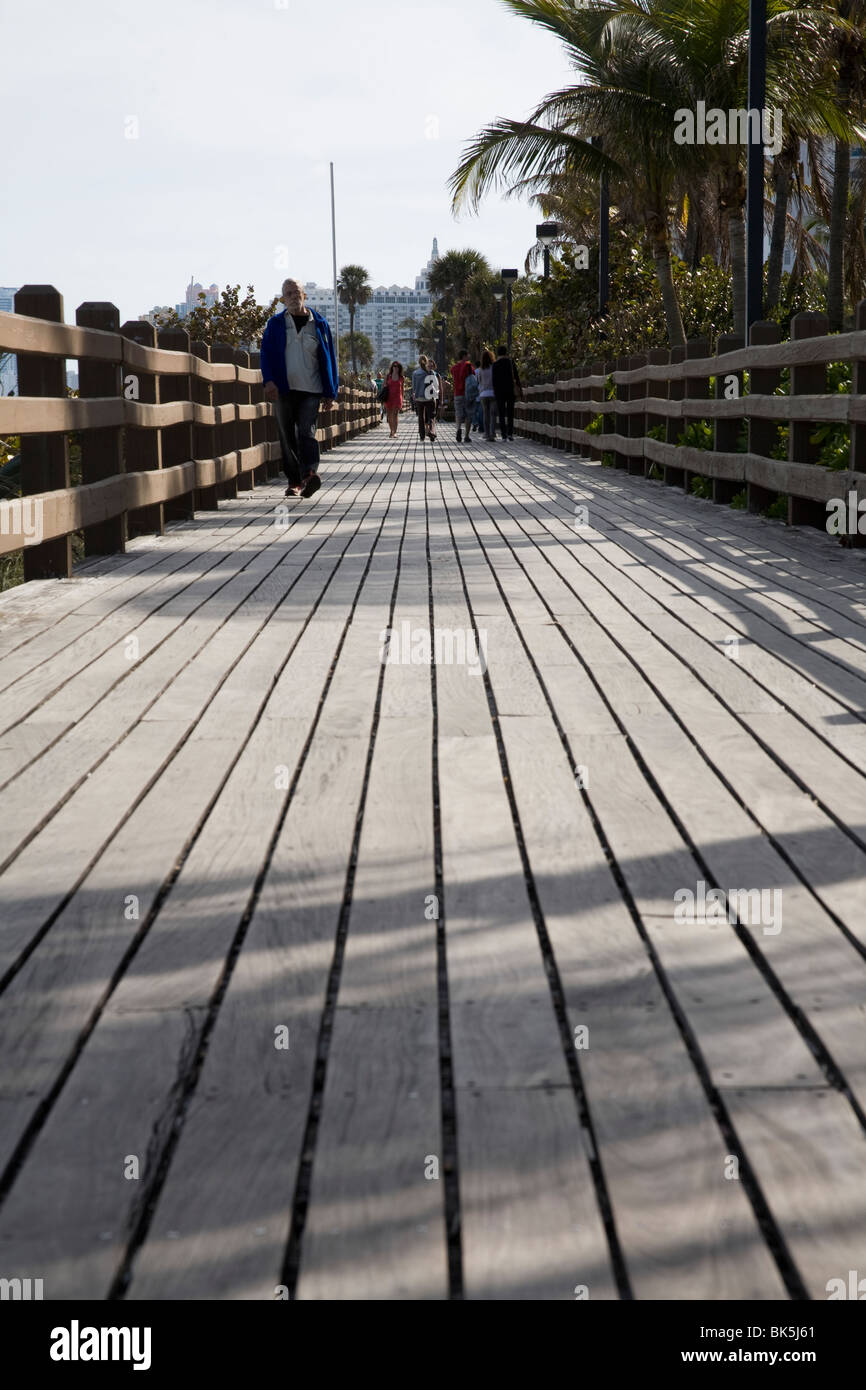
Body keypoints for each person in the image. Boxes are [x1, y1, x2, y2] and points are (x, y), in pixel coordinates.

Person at [260, 278, 338, 498]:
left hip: (311, 389)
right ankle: (294, 482)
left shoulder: (319, 324)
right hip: (284, 388)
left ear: (305, 296)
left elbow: (330, 358)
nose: (293, 296)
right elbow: (265, 354)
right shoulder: (275, 324)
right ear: (283, 299)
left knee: (306, 431)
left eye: (297, 292)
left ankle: (309, 474)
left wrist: (330, 391)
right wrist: (269, 380)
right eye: (288, 293)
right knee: (287, 436)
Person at [492, 344, 522, 441]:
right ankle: (510, 434)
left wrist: (495, 391)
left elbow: (494, 380)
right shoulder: (510, 362)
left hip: (499, 392)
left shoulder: (495, 364)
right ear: (506, 353)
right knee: (510, 412)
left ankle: (503, 435)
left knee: (501, 413)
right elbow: (516, 376)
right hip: (510, 391)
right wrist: (519, 388)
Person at [411, 355, 439, 441]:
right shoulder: (430, 372)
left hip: (419, 398)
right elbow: (436, 384)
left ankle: (422, 436)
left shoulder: (415, 373)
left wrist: (414, 396)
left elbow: (414, 387)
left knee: (421, 417)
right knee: (431, 416)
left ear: (419, 362)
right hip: (429, 397)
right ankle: (431, 431)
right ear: (426, 362)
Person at [451, 349, 475, 443]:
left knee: (458, 413)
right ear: (464, 356)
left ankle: (458, 429)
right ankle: (466, 436)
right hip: (468, 393)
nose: (469, 356)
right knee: (468, 414)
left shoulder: (454, 368)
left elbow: (454, 378)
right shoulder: (469, 366)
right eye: (467, 355)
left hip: (457, 393)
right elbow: (473, 377)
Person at [478, 349, 498, 441]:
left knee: (486, 414)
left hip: (483, 394)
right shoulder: (494, 367)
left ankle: (486, 433)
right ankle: (492, 433)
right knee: (493, 414)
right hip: (493, 393)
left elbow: (479, 381)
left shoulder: (481, 369)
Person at [384, 360, 404, 437]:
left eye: (397, 366)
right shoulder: (388, 376)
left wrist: (402, 399)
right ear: (392, 367)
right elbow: (384, 386)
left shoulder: (401, 377)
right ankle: (391, 430)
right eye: (394, 366)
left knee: (395, 415)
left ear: (399, 368)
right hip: (389, 397)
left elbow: (402, 389)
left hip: (397, 398)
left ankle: (394, 432)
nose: (395, 368)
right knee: (389, 416)